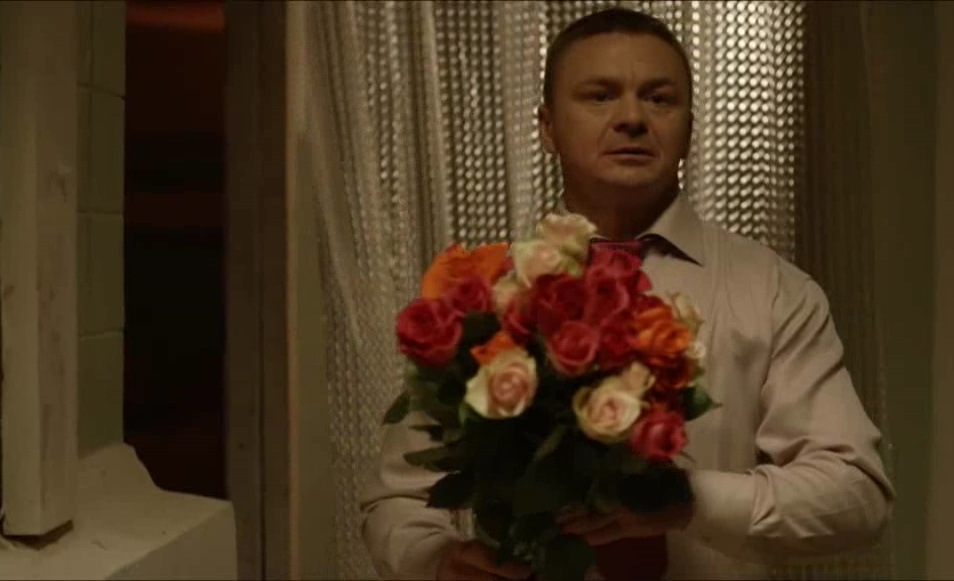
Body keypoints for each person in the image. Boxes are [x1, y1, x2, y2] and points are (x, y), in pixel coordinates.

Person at [362, 7, 894, 580]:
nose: (633, 118)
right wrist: (435, 560)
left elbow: (857, 496)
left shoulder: (773, 291)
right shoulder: (486, 296)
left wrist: (688, 501)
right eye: (600, 96)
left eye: (659, 99)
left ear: (689, 127)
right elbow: (396, 497)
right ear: (547, 127)